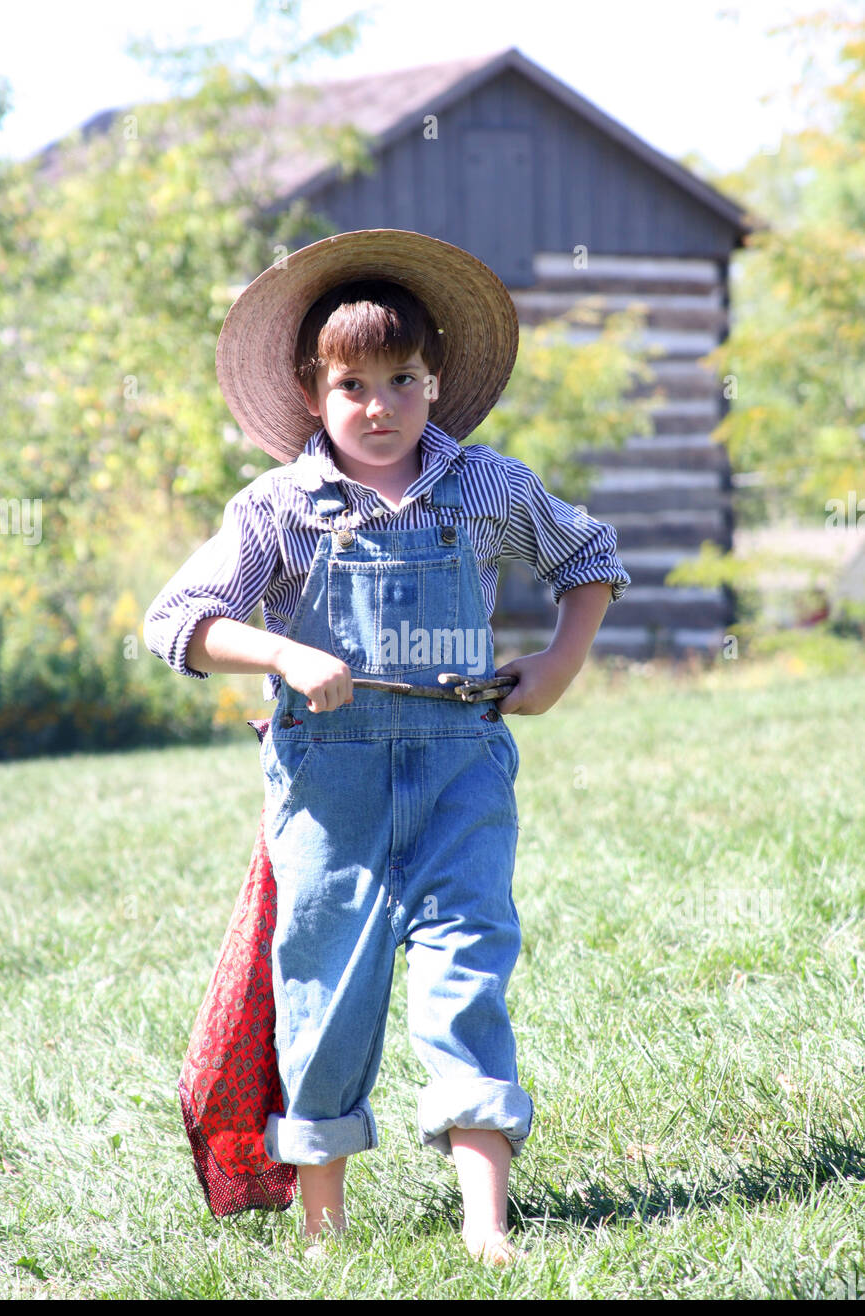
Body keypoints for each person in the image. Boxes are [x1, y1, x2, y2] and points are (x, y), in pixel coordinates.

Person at [144, 229, 631, 1264]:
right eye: (353, 384)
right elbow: (179, 619)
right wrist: (278, 652)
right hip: (332, 791)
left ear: (435, 379)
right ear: (310, 391)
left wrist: (554, 664)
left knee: (467, 977)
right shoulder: (278, 506)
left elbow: (586, 553)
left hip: (462, 771)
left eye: (401, 379)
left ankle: (484, 1224)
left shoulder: (483, 486)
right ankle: (325, 1229)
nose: (379, 405)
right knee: (325, 994)